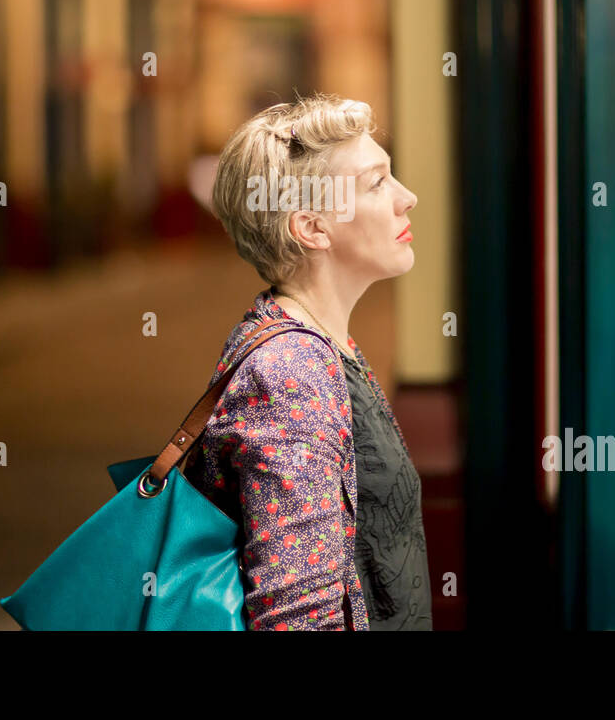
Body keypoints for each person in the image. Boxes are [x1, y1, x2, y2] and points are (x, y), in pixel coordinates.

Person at [186, 94, 433, 630]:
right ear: (312, 228)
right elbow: (297, 615)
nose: (407, 197)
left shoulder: (323, 343)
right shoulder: (289, 373)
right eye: (376, 183)